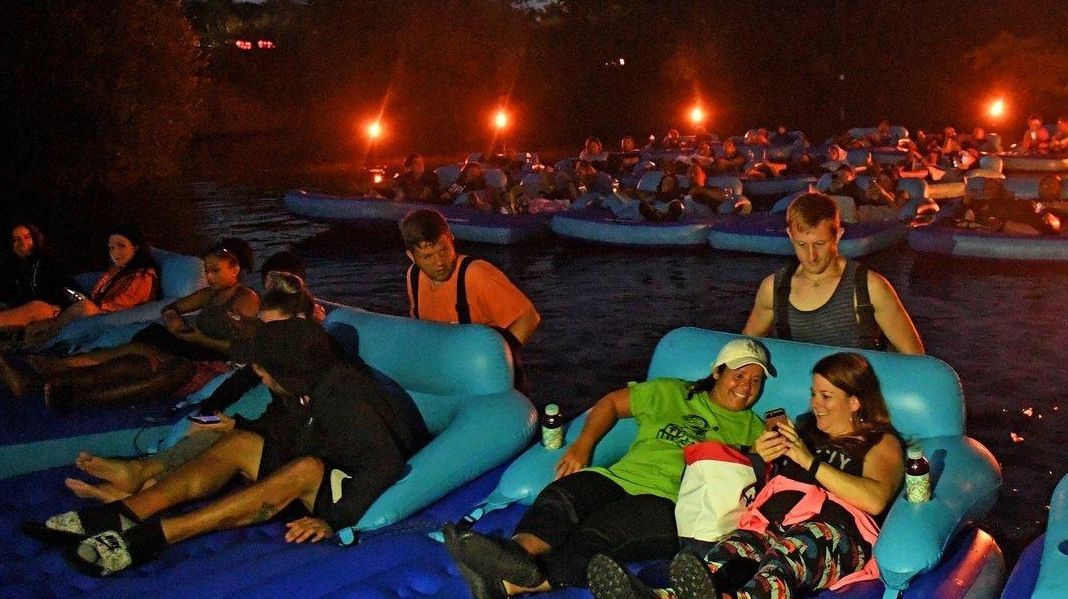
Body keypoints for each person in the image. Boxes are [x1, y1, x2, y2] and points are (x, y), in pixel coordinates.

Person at [33, 317, 430, 576]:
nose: (259, 375)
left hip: (352, 484)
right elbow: (279, 425)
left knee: (305, 467)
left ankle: (160, 535)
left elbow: (383, 462)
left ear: (288, 368)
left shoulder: (346, 397)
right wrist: (238, 426)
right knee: (240, 442)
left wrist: (335, 520)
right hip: (325, 460)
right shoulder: (299, 385)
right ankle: (128, 511)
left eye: (263, 369)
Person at [443, 338, 773, 597]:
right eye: (739, 375)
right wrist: (583, 444)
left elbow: (762, 479)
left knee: (598, 534)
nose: (746, 387)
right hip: (618, 477)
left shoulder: (754, 429)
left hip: (669, 503)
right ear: (717, 372)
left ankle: (509, 585)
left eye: (756, 381)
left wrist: (762, 451)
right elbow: (612, 403)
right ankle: (516, 555)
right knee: (561, 497)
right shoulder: (673, 391)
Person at [588, 352, 903, 599]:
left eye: (825, 396)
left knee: (789, 554)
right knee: (725, 556)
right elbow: (759, 478)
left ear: (854, 401)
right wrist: (759, 454)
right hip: (769, 525)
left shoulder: (879, 441)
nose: (814, 404)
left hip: (832, 535)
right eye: (813, 394)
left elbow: (875, 499)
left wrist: (808, 461)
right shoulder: (805, 429)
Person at [61, 274, 323, 503]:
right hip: (265, 429)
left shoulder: (313, 364)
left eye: (275, 326)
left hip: (290, 450)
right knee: (205, 427)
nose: (268, 334)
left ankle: (138, 484)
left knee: (222, 439)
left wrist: (235, 424)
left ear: (299, 321)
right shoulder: (275, 350)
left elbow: (293, 425)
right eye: (265, 326)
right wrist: (209, 412)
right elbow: (243, 381)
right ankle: (139, 481)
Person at [0, 239, 260, 405]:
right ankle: (44, 377)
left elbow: (242, 349)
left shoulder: (245, 300)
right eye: (207, 271)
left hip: (207, 352)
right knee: (131, 355)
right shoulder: (208, 294)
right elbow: (172, 308)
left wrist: (198, 338)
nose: (210, 277)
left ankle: (55, 372)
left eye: (215, 271)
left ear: (235, 269)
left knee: (133, 358)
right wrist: (172, 320)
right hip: (187, 343)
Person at [742, 193, 924, 354]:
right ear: (790, 235)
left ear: (837, 236)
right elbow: (744, 351)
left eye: (819, 244)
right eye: (802, 244)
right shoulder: (773, 289)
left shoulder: (870, 288)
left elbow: (915, 359)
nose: (811, 256)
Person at [21, 224, 160, 347]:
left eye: (121, 246)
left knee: (84, 307)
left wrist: (93, 305)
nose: (115, 252)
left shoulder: (144, 275)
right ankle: (28, 341)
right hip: (99, 310)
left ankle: (48, 336)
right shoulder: (117, 270)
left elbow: (124, 303)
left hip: (115, 317)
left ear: (135, 247)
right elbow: (97, 292)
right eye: (111, 247)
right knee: (38, 320)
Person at [0, 222, 77, 329]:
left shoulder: (47, 262)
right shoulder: (11, 270)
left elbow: (68, 289)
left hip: (51, 314)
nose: (22, 243)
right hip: (23, 319)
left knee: (38, 308)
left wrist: (62, 307)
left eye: (27, 237)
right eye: (16, 240)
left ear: (35, 239)